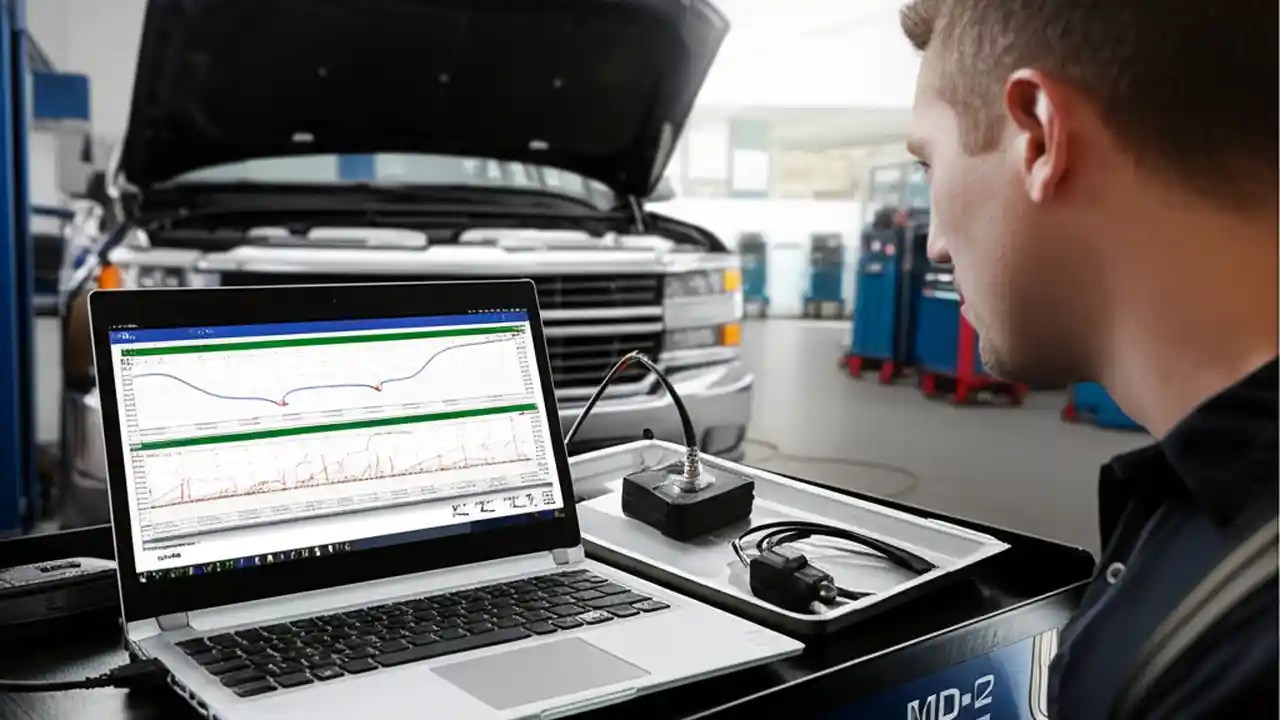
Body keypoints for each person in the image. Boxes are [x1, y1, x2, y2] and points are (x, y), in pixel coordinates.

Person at [898, 0, 1277, 717]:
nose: (936, 245)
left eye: (929, 163)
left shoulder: (1232, 658)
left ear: (1038, 136)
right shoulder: (1203, 522)